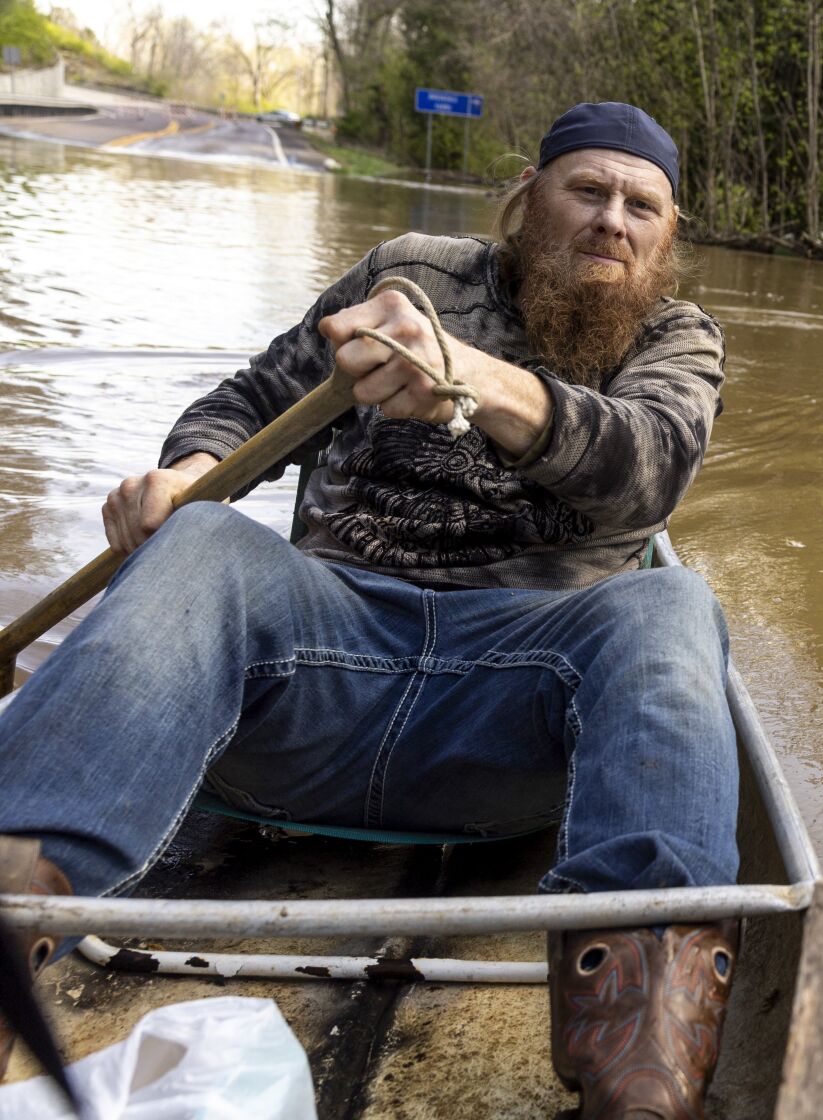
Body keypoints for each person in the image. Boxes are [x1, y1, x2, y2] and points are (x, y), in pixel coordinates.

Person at [0, 102, 740, 1120]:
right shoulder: (411, 277)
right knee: (207, 542)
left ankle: (640, 1075)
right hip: (316, 673)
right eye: (589, 190)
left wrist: (474, 383)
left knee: (671, 606)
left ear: (666, 238)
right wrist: (185, 478)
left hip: (513, 717)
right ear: (530, 199)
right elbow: (250, 400)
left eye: (640, 206)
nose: (613, 219)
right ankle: (14, 898)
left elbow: (646, 470)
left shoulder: (680, 339)